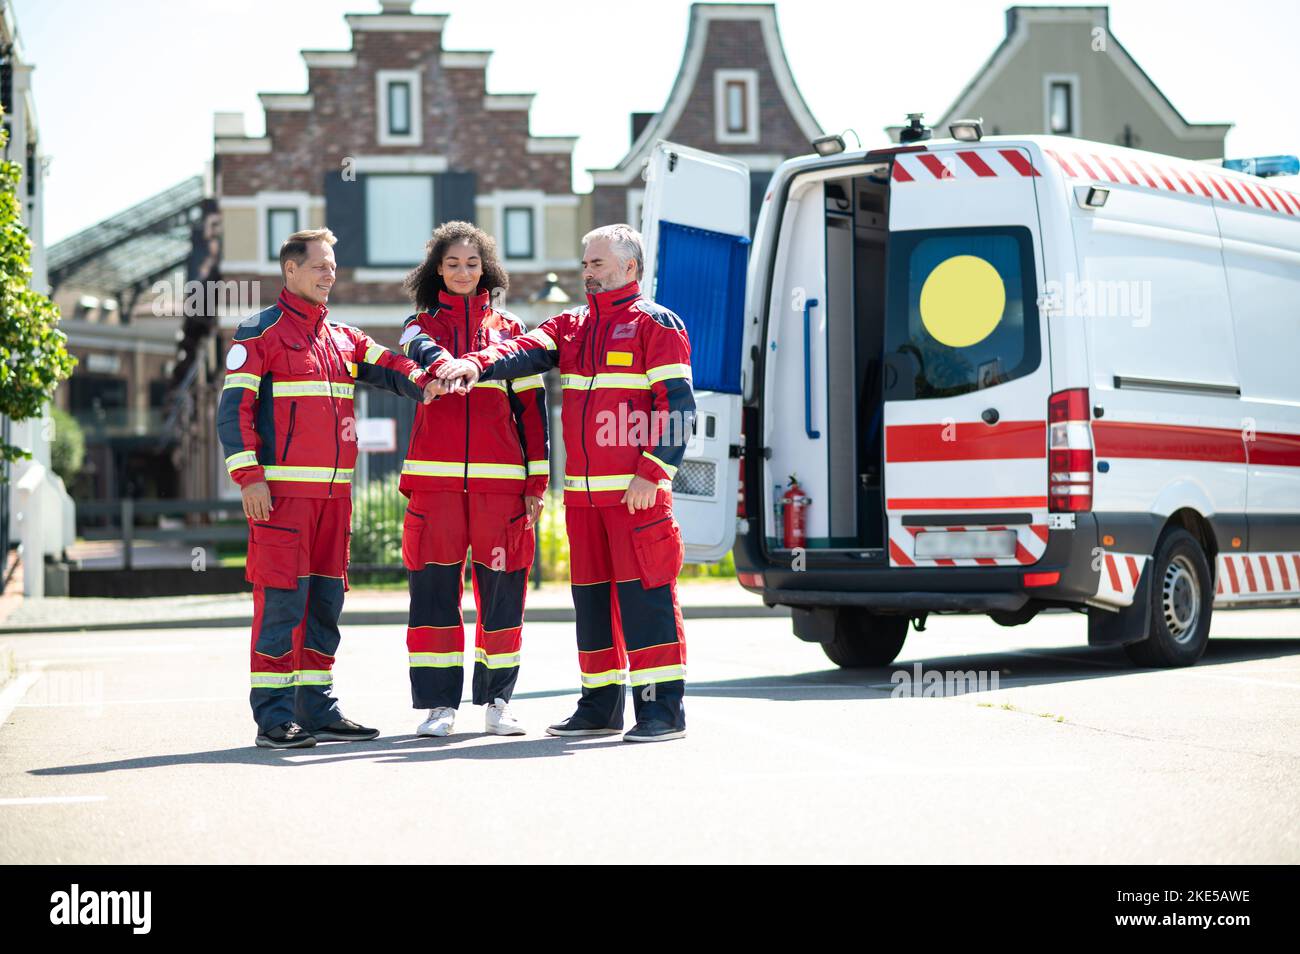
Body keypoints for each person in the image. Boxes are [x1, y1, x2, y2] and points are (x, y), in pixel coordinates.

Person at [435, 224, 695, 743]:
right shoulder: (572, 325)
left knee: (646, 600)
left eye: (597, 264)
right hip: (583, 500)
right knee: (593, 605)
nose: (587, 273)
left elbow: (681, 409)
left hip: (635, 497)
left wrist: (653, 472)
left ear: (629, 268)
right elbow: (520, 350)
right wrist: (472, 363)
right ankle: (600, 706)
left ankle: (662, 711)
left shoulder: (657, 324)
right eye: (584, 264)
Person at [217, 227, 445, 749]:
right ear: (289, 270)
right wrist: (249, 477)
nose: (329, 273)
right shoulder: (259, 332)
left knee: (324, 605)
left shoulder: (342, 337)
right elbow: (234, 414)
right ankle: (274, 718)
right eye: (319, 264)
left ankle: (316, 707)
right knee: (280, 606)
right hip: (282, 500)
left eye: (333, 265)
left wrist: (428, 379)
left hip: (334, 503)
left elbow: (391, 365)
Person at [395, 221, 549, 737]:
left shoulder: (513, 332)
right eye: (454, 263)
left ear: (487, 269)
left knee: (503, 595)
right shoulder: (419, 325)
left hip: (501, 488)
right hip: (434, 489)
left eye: (473, 263)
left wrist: (536, 484)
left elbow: (532, 412)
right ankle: (439, 707)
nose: (464, 272)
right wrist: (452, 365)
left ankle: (498, 702)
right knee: (433, 595)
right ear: (437, 268)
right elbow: (421, 353)